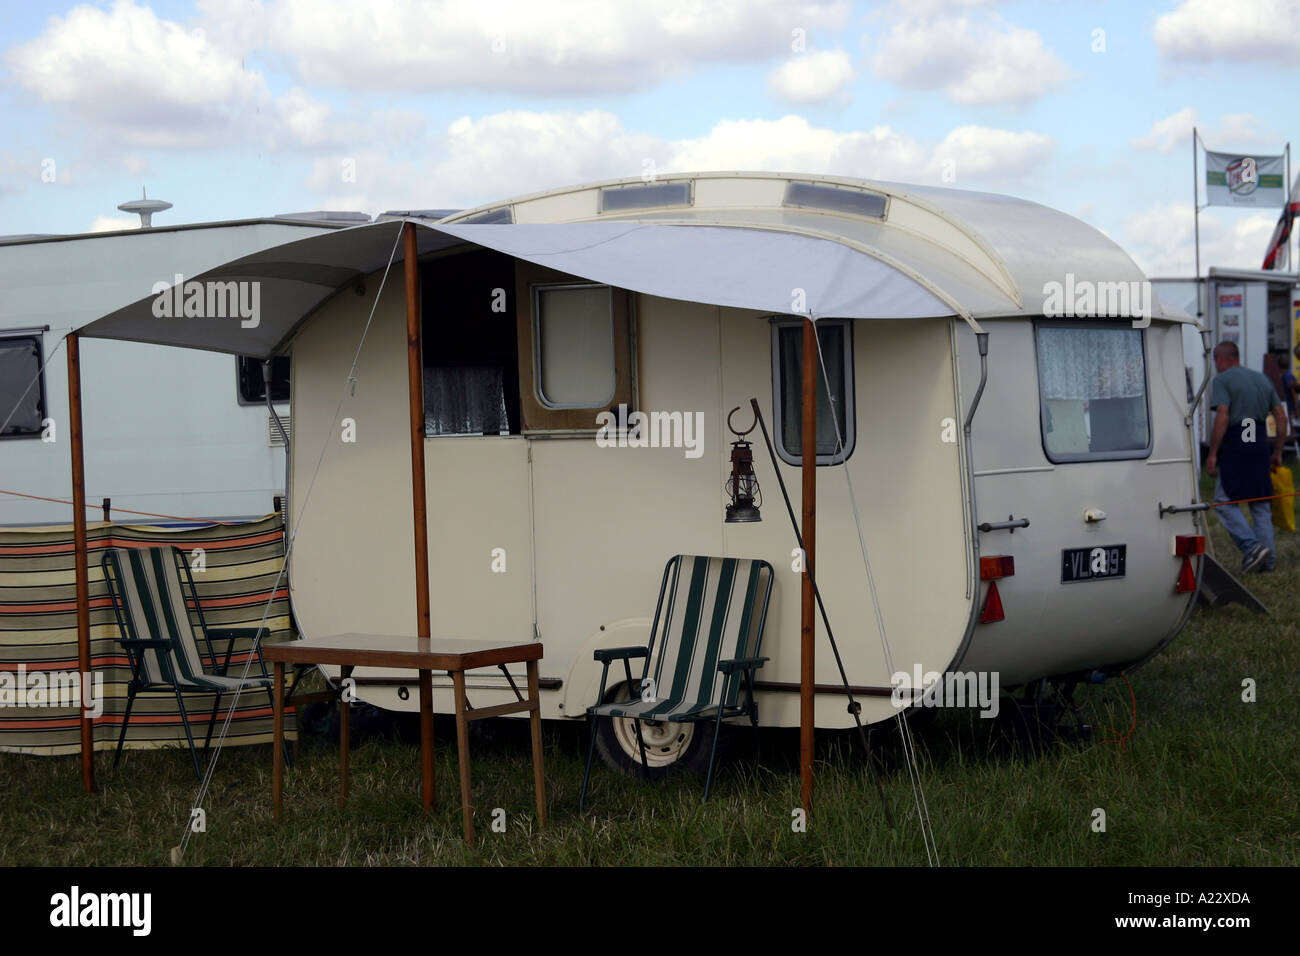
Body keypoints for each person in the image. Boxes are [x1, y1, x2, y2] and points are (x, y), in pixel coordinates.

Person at [1206, 342, 1284, 573]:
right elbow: (1280, 416)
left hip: (1238, 442)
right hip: (1258, 441)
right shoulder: (1262, 379)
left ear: (1222, 358)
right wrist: (1278, 451)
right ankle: (1267, 563)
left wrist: (1212, 454)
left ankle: (1251, 548)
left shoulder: (1222, 380)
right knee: (1260, 504)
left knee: (1223, 501)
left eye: (1215, 361)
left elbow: (1222, 415)